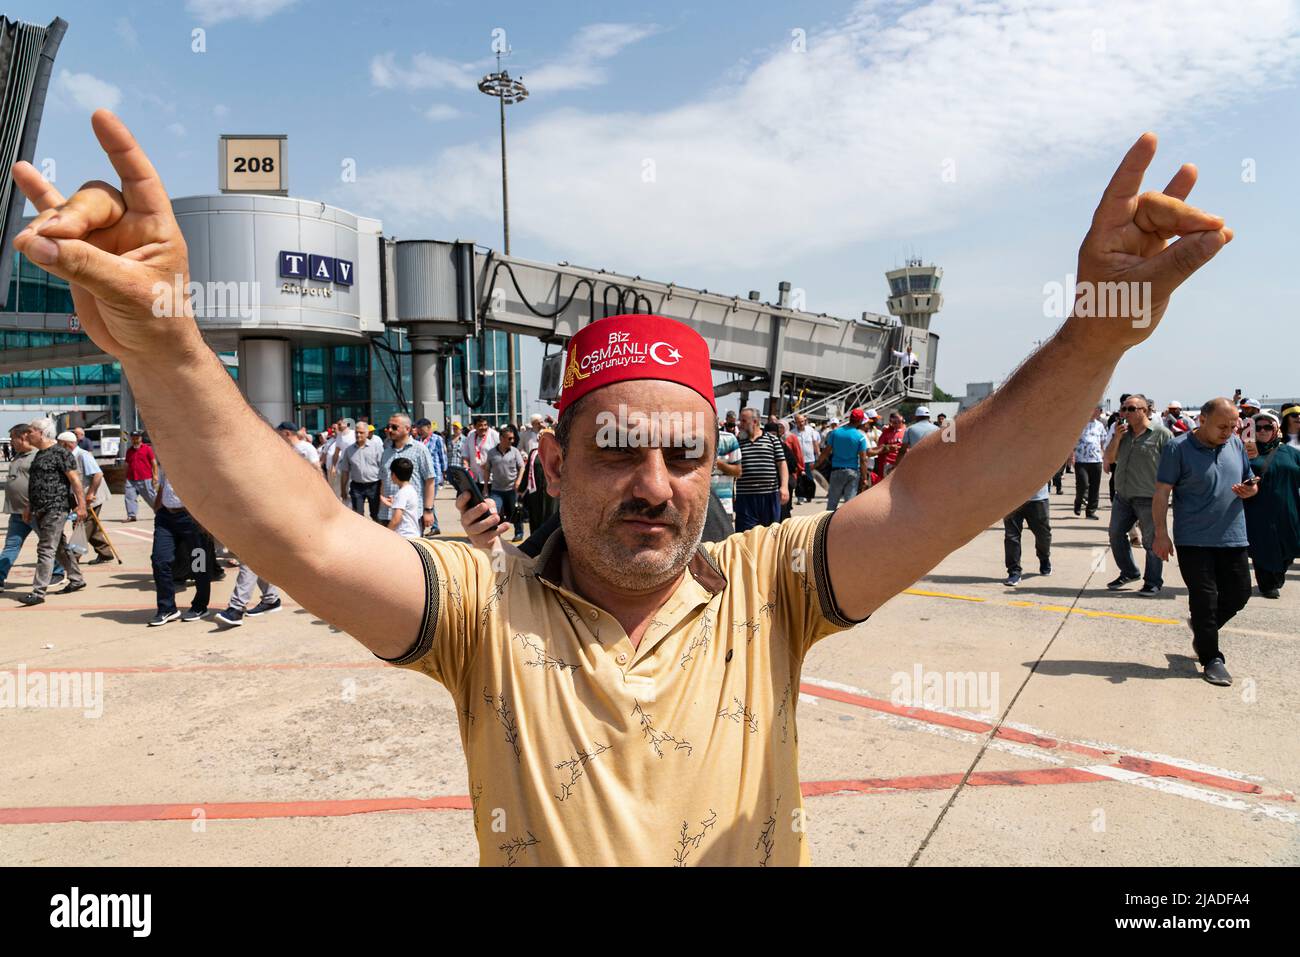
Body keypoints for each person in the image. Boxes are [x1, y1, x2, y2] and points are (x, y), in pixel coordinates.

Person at [14, 116, 1231, 864]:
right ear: (549, 463)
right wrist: (171, 345)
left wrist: (1097, 329)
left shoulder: (770, 595)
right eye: (616, 449)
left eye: (684, 453)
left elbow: (944, 493)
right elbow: (299, 530)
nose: (654, 484)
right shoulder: (484, 615)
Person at [1151, 398, 1257, 686]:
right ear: (1202, 421)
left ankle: (1201, 628)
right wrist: (1161, 533)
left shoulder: (1235, 444)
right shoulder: (1178, 447)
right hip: (1194, 540)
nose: (1228, 431)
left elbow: (1249, 478)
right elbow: (1162, 493)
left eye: (1233, 425)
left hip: (1233, 535)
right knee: (1205, 599)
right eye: (1222, 426)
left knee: (1239, 594)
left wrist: (1251, 489)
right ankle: (1212, 658)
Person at [1102, 394, 1171, 595]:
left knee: (1151, 541)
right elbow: (1109, 458)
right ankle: (1129, 571)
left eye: (1131, 409)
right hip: (1123, 495)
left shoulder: (1161, 434)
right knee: (1115, 534)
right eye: (1123, 409)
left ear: (1145, 411)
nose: (1125, 413)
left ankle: (1153, 581)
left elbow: (1173, 463)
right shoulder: (1121, 433)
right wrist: (1117, 437)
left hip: (1149, 496)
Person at [18, 417, 87, 606]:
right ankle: (77, 579)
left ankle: (38, 591)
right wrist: (28, 506)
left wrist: (81, 506)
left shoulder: (60, 453)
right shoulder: (39, 454)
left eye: (31, 430)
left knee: (45, 548)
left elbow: (75, 480)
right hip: (39, 508)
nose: (27, 434)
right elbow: (35, 484)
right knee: (58, 547)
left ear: (42, 433)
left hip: (55, 507)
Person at [0, 423, 64, 591]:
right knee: (11, 546)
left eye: (13, 438)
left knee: (48, 545)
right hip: (16, 512)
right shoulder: (18, 456)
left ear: (23, 437)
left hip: (37, 512)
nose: (11, 442)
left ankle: (58, 572)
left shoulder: (39, 455)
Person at [1243, 410, 1300, 599]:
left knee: (1288, 547)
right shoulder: (1246, 452)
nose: (1263, 431)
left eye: (1268, 427)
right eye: (1258, 427)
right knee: (1262, 547)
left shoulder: (1291, 453)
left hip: (1288, 509)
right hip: (1258, 510)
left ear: (1276, 429)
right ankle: (1267, 584)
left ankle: (1276, 577)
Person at [147, 466, 212, 625]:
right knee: (159, 560)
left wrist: (204, 517)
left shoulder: (194, 457)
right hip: (166, 518)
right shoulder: (165, 456)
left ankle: (200, 605)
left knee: (199, 564)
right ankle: (167, 608)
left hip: (192, 518)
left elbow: (208, 487)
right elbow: (163, 484)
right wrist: (158, 507)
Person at [59, 430, 113, 563]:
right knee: (90, 526)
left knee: (82, 525)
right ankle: (105, 553)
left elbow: (98, 475)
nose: (58, 448)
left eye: (60, 444)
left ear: (68, 444)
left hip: (91, 497)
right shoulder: (68, 456)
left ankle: (73, 557)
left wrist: (91, 493)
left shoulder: (83, 455)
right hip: (78, 497)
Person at [378, 414, 437, 536]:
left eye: (394, 427)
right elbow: (383, 480)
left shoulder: (420, 450)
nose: (390, 430)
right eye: (388, 427)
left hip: (410, 516)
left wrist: (428, 510)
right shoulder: (386, 452)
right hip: (387, 513)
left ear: (407, 429)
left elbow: (430, 481)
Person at [733, 406, 788, 532]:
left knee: (770, 534)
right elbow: (733, 467)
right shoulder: (737, 442)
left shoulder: (772, 440)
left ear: (755, 422)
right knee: (744, 536)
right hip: (745, 498)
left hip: (769, 496)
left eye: (743, 421)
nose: (740, 424)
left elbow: (782, 464)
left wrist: (784, 487)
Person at [817, 408, 870, 512]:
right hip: (852, 472)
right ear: (860, 421)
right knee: (849, 506)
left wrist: (816, 464)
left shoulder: (835, 433)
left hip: (836, 471)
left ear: (850, 418)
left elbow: (826, 452)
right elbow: (863, 460)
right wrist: (864, 478)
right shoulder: (860, 436)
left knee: (831, 505)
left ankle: (826, 526)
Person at [1002, 483, 1052, 586]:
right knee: (1011, 537)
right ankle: (1014, 571)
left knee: (1043, 535)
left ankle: (1044, 558)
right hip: (1011, 498)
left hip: (1038, 498)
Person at [484, 428, 526, 542]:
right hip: (496, 490)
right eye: (509, 438)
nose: (512, 440)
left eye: (513, 438)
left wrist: (518, 481)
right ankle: (495, 534)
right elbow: (487, 470)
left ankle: (519, 533)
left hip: (512, 489)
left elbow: (522, 467)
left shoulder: (515, 451)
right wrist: (485, 487)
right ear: (501, 438)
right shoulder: (491, 453)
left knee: (515, 511)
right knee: (494, 513)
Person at [339, 422, 384, 520]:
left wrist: (383, 489)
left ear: (367, 433)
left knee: (376, 515)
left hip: (374, 486)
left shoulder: (376, 447)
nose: (358, 435)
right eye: (356, 432)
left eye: (361, 432)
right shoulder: (349, 450)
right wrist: (343, 490)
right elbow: (345, 471)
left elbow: (383, 469)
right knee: (358, 516)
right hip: (357, 487)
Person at [1072, 405, 1107, 519]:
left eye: (1100, 410)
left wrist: (1105, 457)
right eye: (1097, 409)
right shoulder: (1079, 424)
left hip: (1096, 460)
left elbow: (1103, 443)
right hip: (1081, 460)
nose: (1098, 412)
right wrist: (1071, 456)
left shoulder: (1100, 425)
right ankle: (1078, 502)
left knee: (1094, 487)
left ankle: (1091, 511)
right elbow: (1072, 441)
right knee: (1083, 483)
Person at [414, 417, 447, 533]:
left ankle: (434, 526)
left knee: (429, 501)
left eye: (421, 429)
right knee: (426, 501)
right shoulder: (418, 440)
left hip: (434, 476)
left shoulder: (437, 439)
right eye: (418, 429)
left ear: (428, 428)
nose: (419, 431)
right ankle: (433, 525)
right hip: (421, 476)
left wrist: (444, 471)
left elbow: (442, 455)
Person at [710, 423, 742, 531]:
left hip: (723, 505)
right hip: (699, 507)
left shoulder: (728, 439)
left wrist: (716, 463)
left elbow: (738, 471)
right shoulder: (691, 439)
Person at [384, 458, 424, 539]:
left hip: (404, 535)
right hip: (414, 534)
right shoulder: (411, 490)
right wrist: (394, 503)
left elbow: (396, 519)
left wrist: (386, 533)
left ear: (394, 475)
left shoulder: (401, 493)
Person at [123, 430, 158, 520]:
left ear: (141, 438)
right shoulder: (129, 451)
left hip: (145, 478)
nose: (135, 440)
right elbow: (127, 464)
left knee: (151, 497)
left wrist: (155, 476)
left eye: (137, 438)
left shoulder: (147, 449)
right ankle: (131, 515)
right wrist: (125, 476)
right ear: (131, 439)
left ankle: (160, 512)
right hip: (131, 479)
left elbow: (154, 463)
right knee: (129, 497)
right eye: (133, 438)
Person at [790, 413, 820, 503]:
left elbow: (815, 443)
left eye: (802, 421)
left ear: (805, 421)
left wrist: (818, 455)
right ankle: (800, 497)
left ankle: (809, 495)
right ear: (795, 422)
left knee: (809, 479)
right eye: (799, 422)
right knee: (799, 479)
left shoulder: (811, 430)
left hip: (810, 459)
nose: (801, 423)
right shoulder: (792, 433)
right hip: (798, 460)